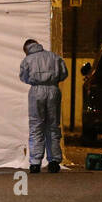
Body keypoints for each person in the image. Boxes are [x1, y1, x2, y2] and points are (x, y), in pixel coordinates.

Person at [19, 38, 68, 173]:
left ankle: (35, 162)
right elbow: (64, 74)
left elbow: (23, 77)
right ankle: (54, 161)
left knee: (36, 125)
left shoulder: (28, 60)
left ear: (26, 49)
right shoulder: (54, 57)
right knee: (53, 126)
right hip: (53, 90)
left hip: (36, 91)